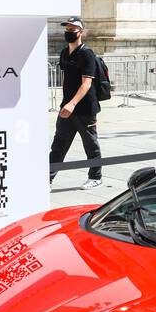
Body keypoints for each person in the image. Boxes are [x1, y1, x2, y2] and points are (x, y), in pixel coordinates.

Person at [49, 17, 104, 190]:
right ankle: (47, 179)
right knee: (58, 145)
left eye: (73, 29)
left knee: (90, 144)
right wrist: (65, 102)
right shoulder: (65, 52)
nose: (69, 32)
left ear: (81, 32)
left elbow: (86, 83)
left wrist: (72, 104)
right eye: (67, 29)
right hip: (66, 108)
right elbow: (67, 79)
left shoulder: (87, 54)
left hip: (85, 108)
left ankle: (96, 177)